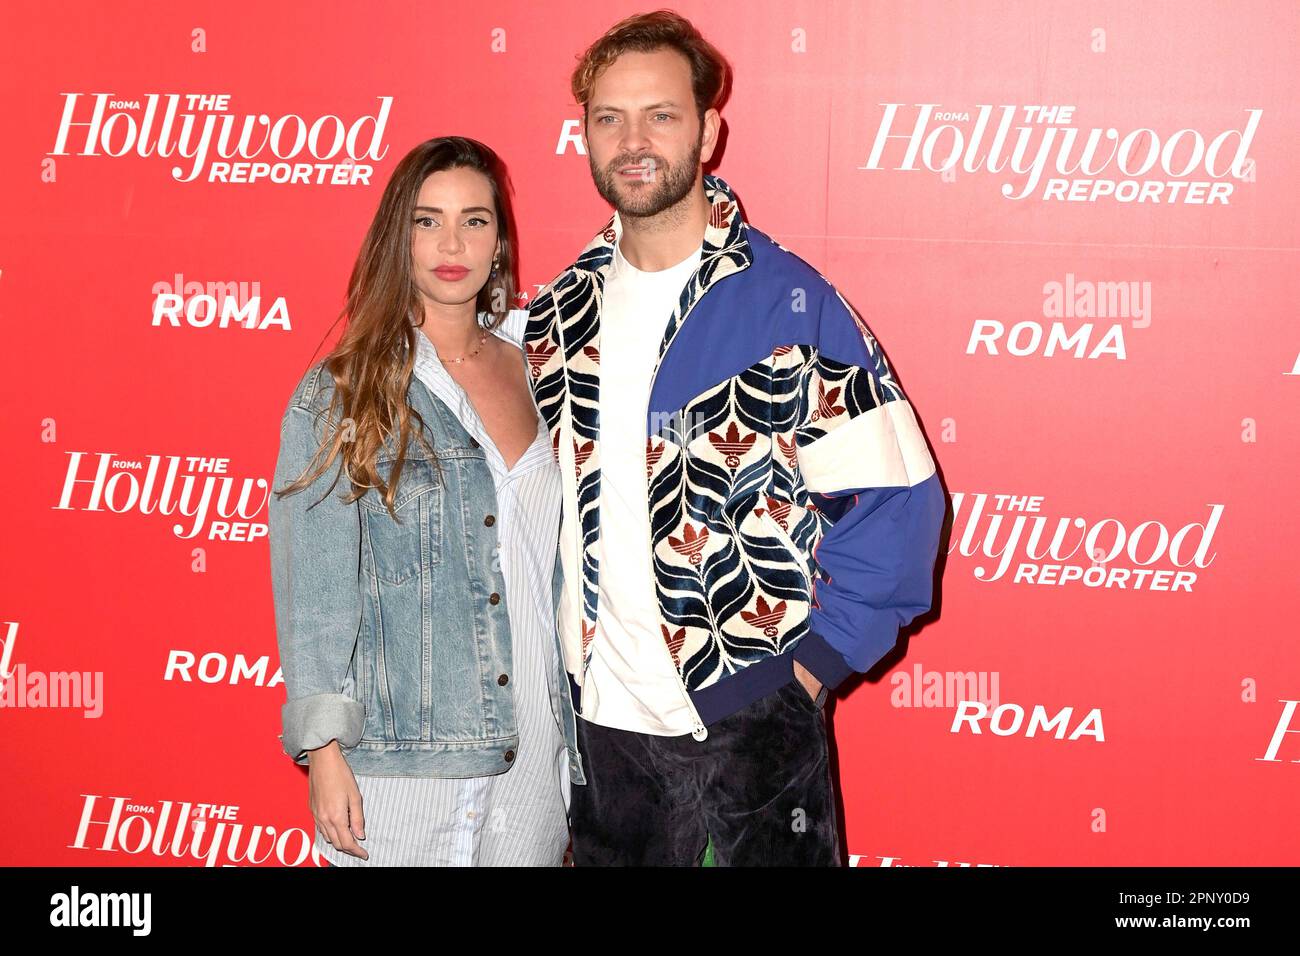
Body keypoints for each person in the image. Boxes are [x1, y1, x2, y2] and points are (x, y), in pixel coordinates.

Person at [524, 11, 946, 866]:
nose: (633, 140)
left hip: (749, 720)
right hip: (603, 732)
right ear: (584, 136)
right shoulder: (558, 314)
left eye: (661, 115)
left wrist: (808, 669)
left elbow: (900, 494)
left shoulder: (788, 301)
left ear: (709, 131)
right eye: (609, 118)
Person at [268, 136, 584, 867]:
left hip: (534, 756)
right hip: (397, 759)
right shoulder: (341, 391)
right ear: (396, 238)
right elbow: (313, 592)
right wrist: (323, 751)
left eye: (475, 220)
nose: (452, 243)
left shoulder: (546, 374)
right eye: (426, 220)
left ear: (499, 241)